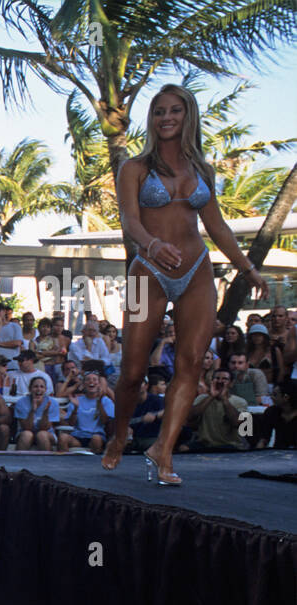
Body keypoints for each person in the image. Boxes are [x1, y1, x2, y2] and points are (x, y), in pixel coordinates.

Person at [104, 83, 267, 483]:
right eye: (159, 111)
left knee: (191, 364)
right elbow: (129, 220)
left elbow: (217, 226)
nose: (167, 118)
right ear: (151, 118)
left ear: (187, 115)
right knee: (132, 370)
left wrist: (247, 268)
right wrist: (152, 243)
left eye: (175, 110)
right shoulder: (135, 168)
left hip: (197, 272)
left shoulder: (202, 171)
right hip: (147, 271)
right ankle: (121, 433)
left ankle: (164, 451)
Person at [188, 367, 248, 451]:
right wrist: (212, 396)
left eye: (224, 379)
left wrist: (224, 399)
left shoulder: (240, 402)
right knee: (184, 448)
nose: (220, 381)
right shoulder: (202, 398)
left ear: (231, 383)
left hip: (229, 444)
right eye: (217, 378)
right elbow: (190, 416)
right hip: (205, 444)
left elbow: (236, 422)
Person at [59, 371, 114, 453]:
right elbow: (71, 424)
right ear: (84, 384)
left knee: (96, 439)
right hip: (78, 436)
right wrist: (76, 408)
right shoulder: (77, 400)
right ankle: (66, 463)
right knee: (63, 437)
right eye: (88, 379)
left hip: (96, 436)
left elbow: (105, 421)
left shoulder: (106, 401)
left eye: (94, 379)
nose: (91, 382)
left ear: (99, 384)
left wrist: (99, 403)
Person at [14, 377, 58, 451]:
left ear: (45, 390)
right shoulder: (21, 402)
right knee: (27, 435)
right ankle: (20, 461)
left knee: (41, 435)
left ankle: (48, 462)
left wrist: (45, 412)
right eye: (35, 386)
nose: (39, 389)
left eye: (42, 387)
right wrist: (33, 410)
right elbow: (27, 427)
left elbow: (45, 428)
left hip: (46, 433)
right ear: (30, 389)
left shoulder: (52, 403)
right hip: (25, 431)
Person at [258, 378, 297, 449]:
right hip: (278, 454)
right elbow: (264, 439)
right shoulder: (271, 412)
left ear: (286, 397)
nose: (271, 397)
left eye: (275, 395)